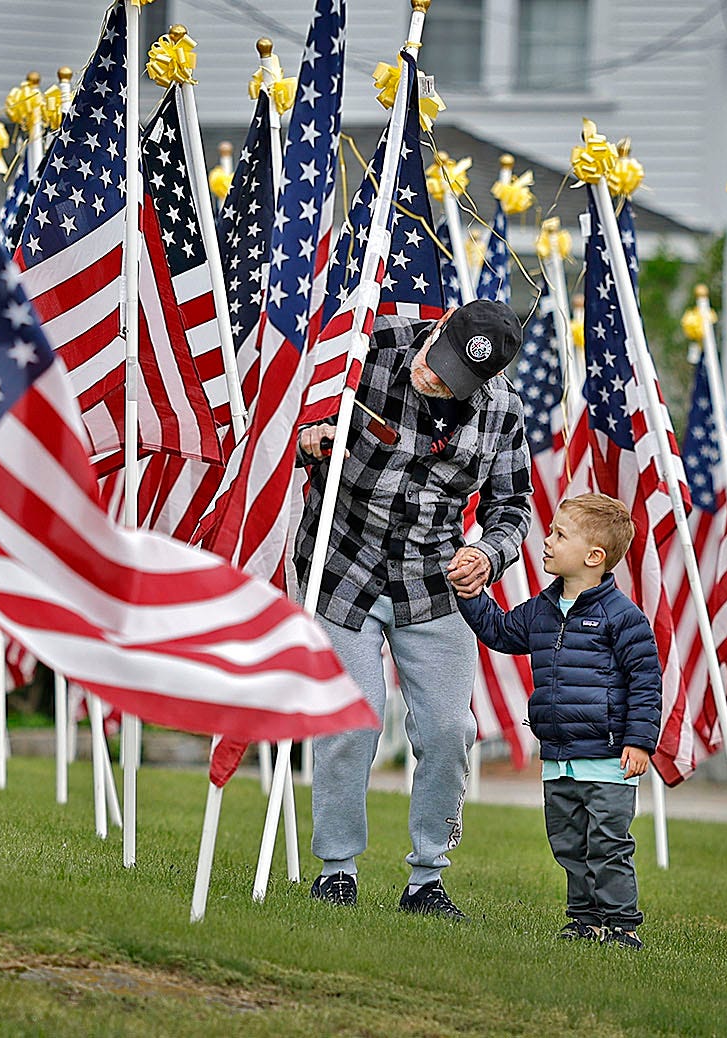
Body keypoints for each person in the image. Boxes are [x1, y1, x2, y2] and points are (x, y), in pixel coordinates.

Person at [295, 300, 532, 919]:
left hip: (434, 582)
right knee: (353, 720)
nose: (435, 379)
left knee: (452, 730)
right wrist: (311, 437)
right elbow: (289, 414)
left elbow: (514, 507)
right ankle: (336, 870)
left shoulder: (503, 410)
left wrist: (488, 552)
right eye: (438, 363)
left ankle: (427, 878)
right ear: (441, 326)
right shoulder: (367, 348)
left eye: (456, 379)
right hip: (343, 566)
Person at [455, 493, 661, 949]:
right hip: (559, 759)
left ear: (593, 556)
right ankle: (585, 921)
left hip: (608, 759)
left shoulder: (622, 618)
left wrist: (641, 741)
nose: (545, 541)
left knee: (607, 845)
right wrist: (471, 594)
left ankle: (622, 925)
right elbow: (501, 631)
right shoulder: (543, 609)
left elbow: (646, 681)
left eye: (558, 535)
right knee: (568, 844)